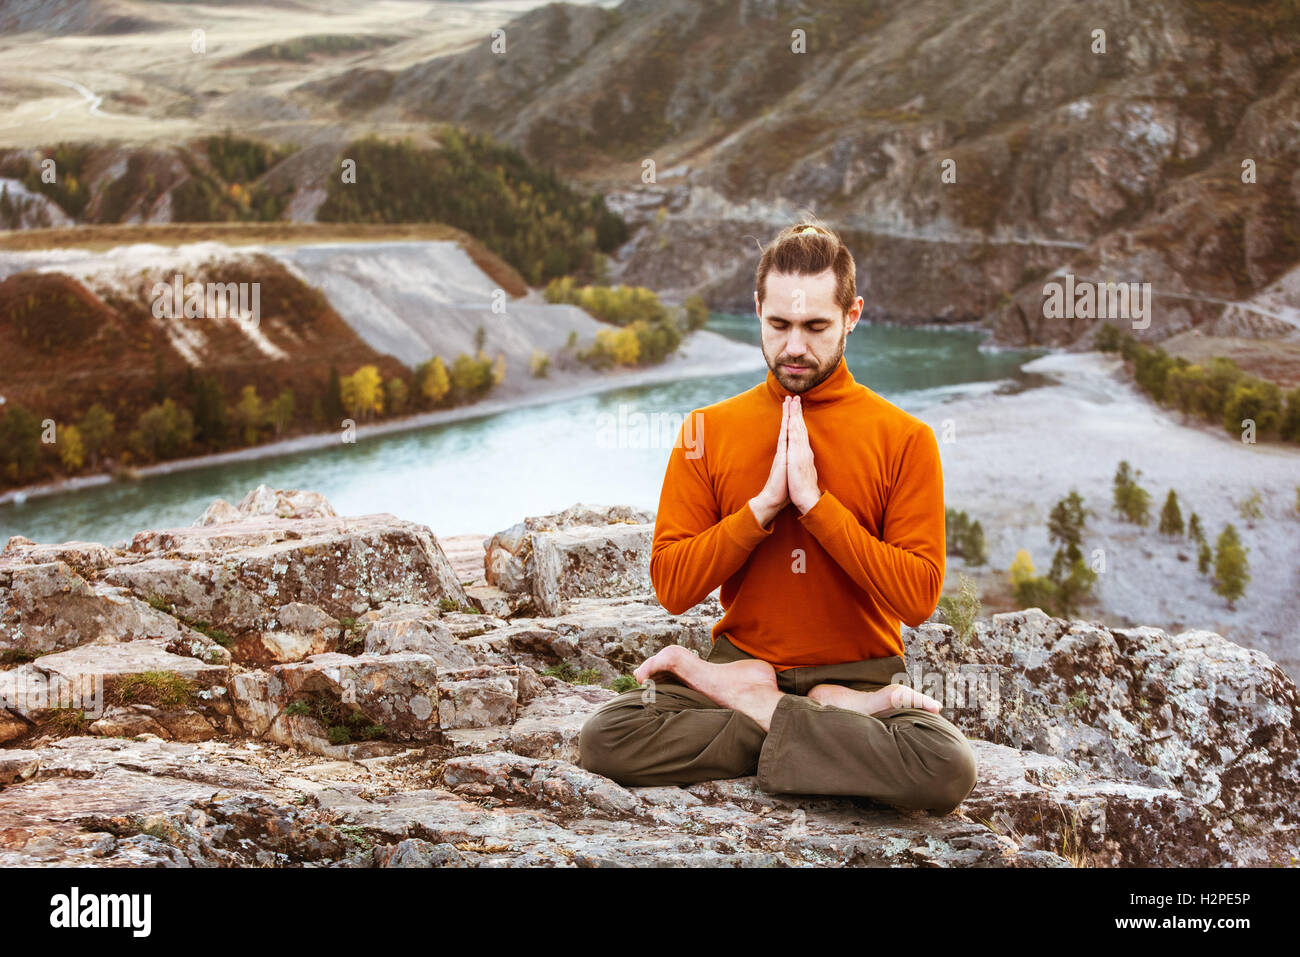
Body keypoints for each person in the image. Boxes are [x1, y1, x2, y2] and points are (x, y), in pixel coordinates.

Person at [577, 221, 977, 815]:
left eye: (816, 326)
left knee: (945, 766)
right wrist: (763, 506)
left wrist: (816, 506)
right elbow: (672, 585)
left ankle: (781, 711)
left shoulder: (906, 438)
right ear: (758, 310)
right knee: (606, 737)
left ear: (852, 315)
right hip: (740, 667)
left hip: (862, 677)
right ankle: (816, 719)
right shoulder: (705, 431)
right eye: (779, 325)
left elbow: (917, 597)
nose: (795, 347)